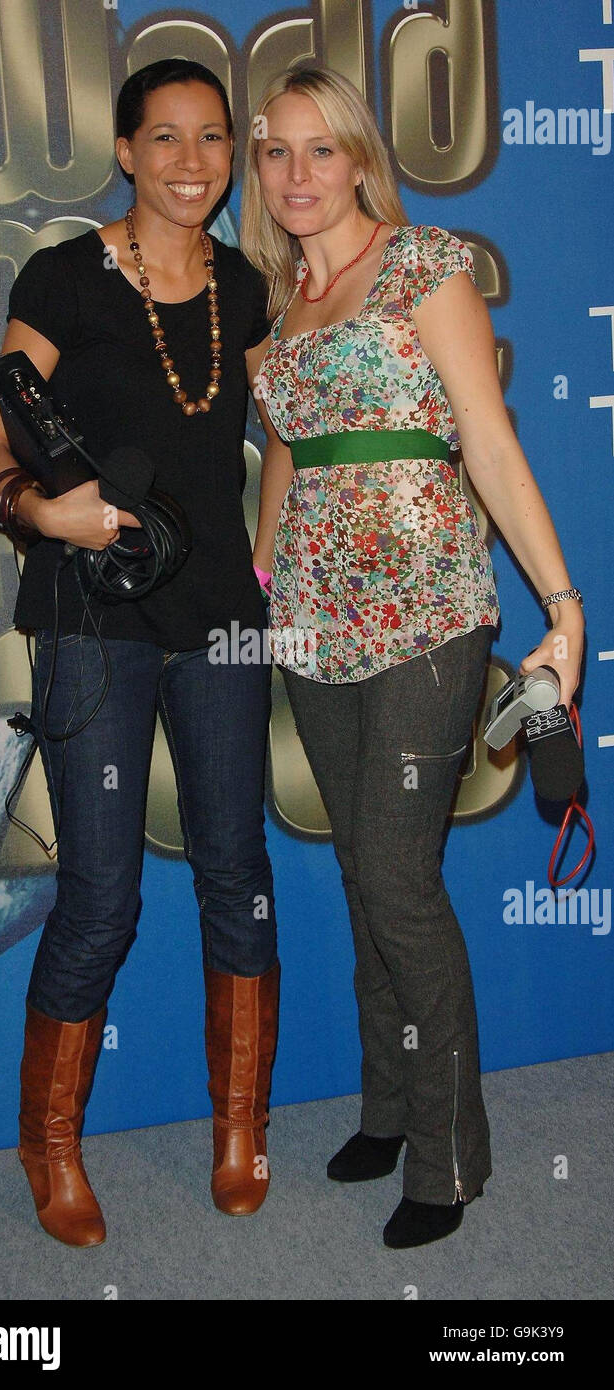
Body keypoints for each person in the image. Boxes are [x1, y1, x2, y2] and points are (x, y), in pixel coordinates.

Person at [242, 65, 584, 1248]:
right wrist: (264, 585)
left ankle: (447, 1156)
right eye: (275, 152)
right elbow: (290, 451)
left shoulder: (426, 262)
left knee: (398, 883)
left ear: (358, 157)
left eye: (319, 150)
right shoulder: (283, 298)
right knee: (359, 877)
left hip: (432, 611)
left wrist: (561, 600)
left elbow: (483, 431)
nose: (296, 174)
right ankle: (387, 1104)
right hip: (317, 628)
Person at [0, 59, 280, 1246]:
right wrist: (32, 510)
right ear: (127, 150)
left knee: (237, 872)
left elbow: (284, 432)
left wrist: (272, 560)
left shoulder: (247, 285)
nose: (190, 164)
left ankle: (240, 1129)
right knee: (101, 893)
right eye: (165, 139)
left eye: (211, 139)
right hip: (91, 619)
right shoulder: (68, 275)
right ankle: (51, 1149)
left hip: (222, 619)